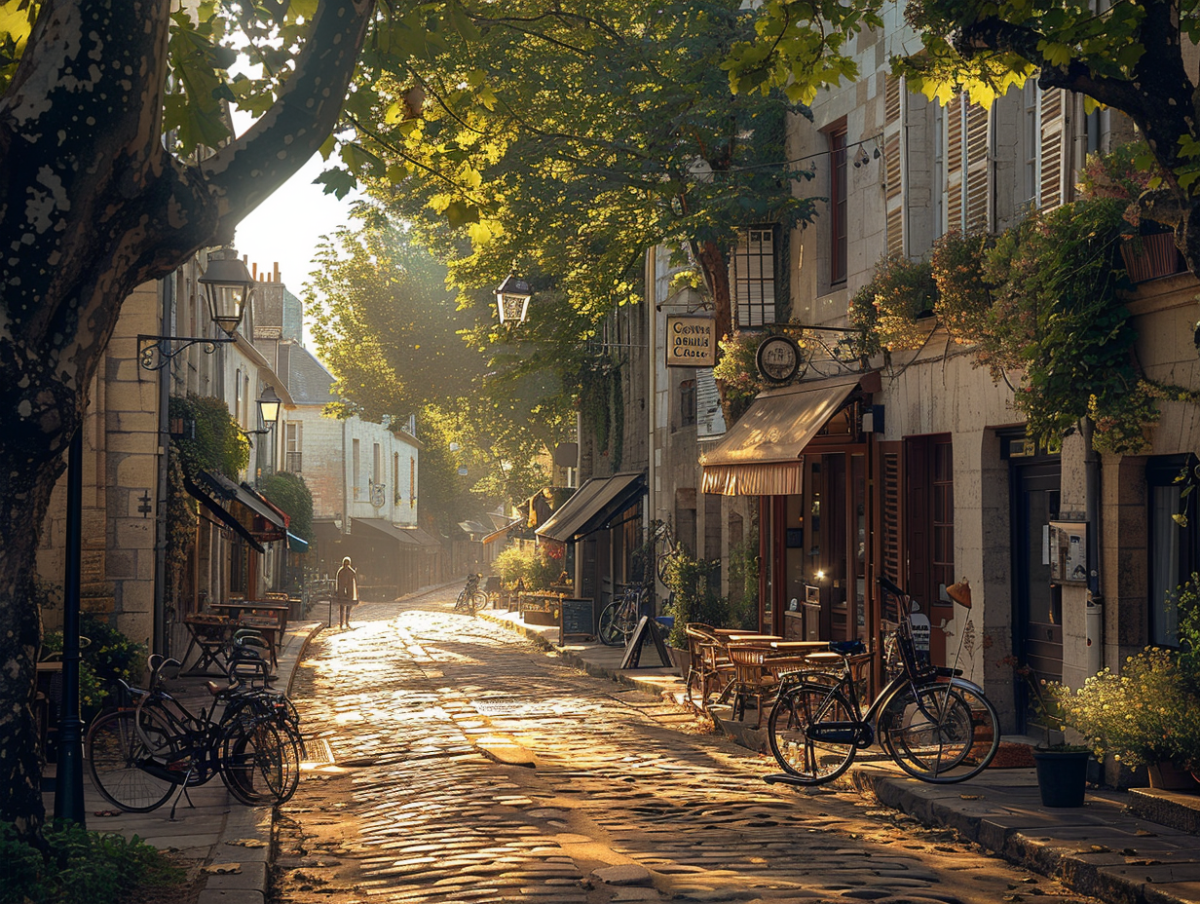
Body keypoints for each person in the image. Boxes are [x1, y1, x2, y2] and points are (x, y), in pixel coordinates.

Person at [335, 556, 358, 629]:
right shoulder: (341, 571)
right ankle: (342, 623)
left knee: (348, 608)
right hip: (342, 592)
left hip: (349, 592)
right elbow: (338, 582)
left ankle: (346, 622)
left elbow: (354, 583)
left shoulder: (351, 572)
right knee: (342, 608)